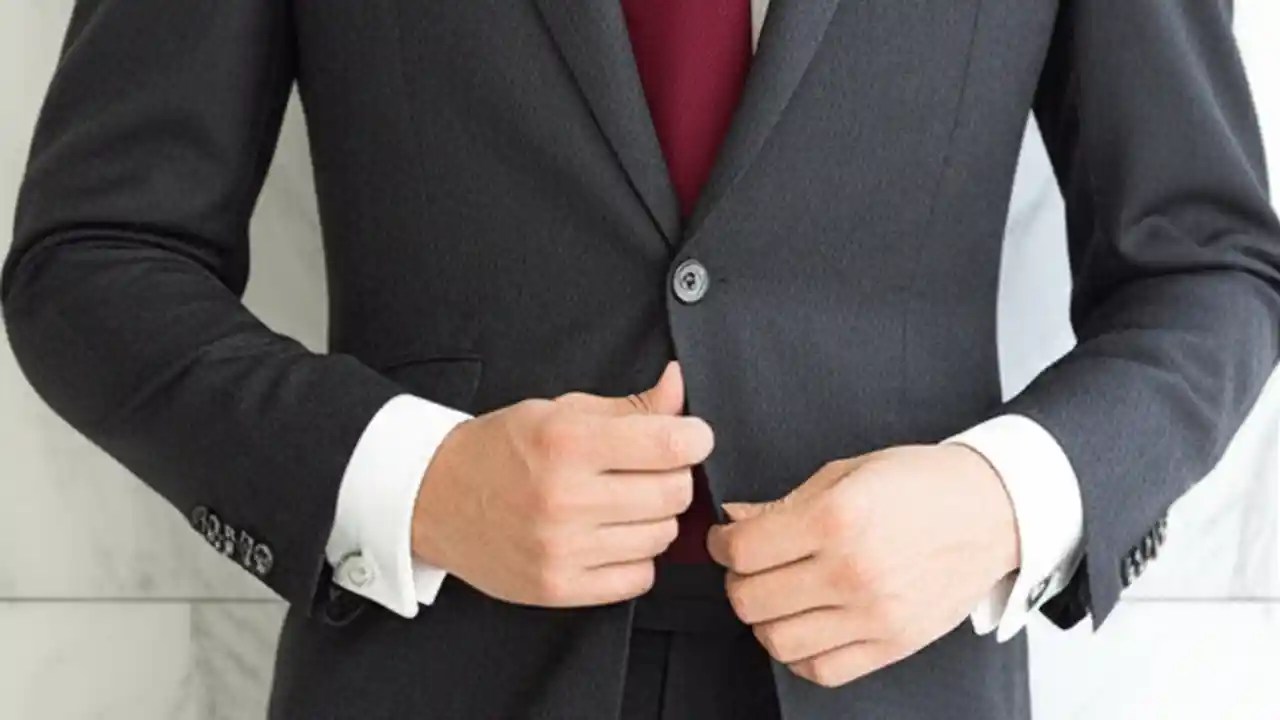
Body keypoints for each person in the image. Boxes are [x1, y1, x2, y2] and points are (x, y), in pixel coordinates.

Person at [4, 0, 1277, 718]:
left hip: (897, 679)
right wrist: (413, 481)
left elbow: (1209, 266)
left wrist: (1002, 502)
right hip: (438, 674)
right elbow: (96, 256)